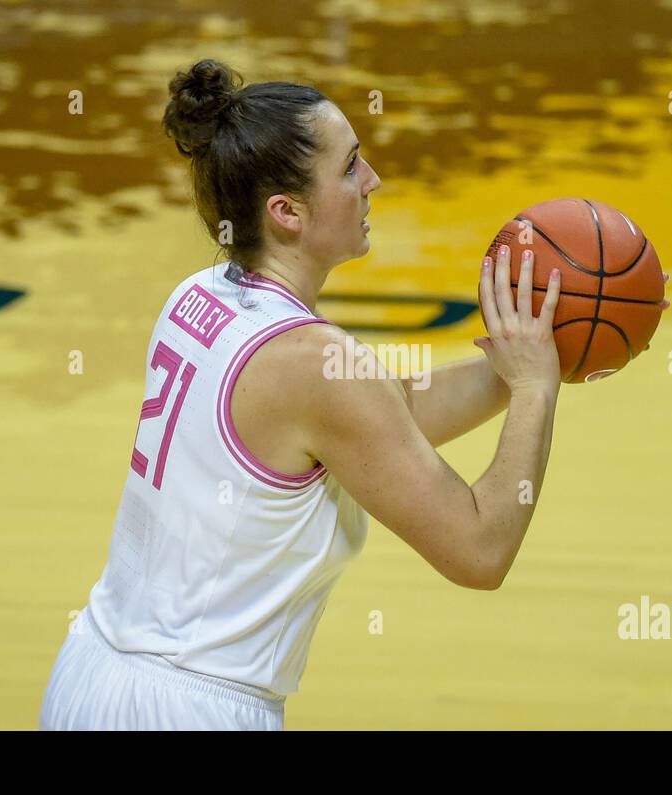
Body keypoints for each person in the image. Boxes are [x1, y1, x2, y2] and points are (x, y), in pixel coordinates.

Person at [40, 58, 598, 731]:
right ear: (287, 212)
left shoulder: (198, 294)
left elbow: (379, 423)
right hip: (188, 706)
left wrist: (514, 366)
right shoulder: (311, 363)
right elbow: (478, 550)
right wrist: (537, 389)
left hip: (92, 674)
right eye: (351, 167)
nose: (373, 182)